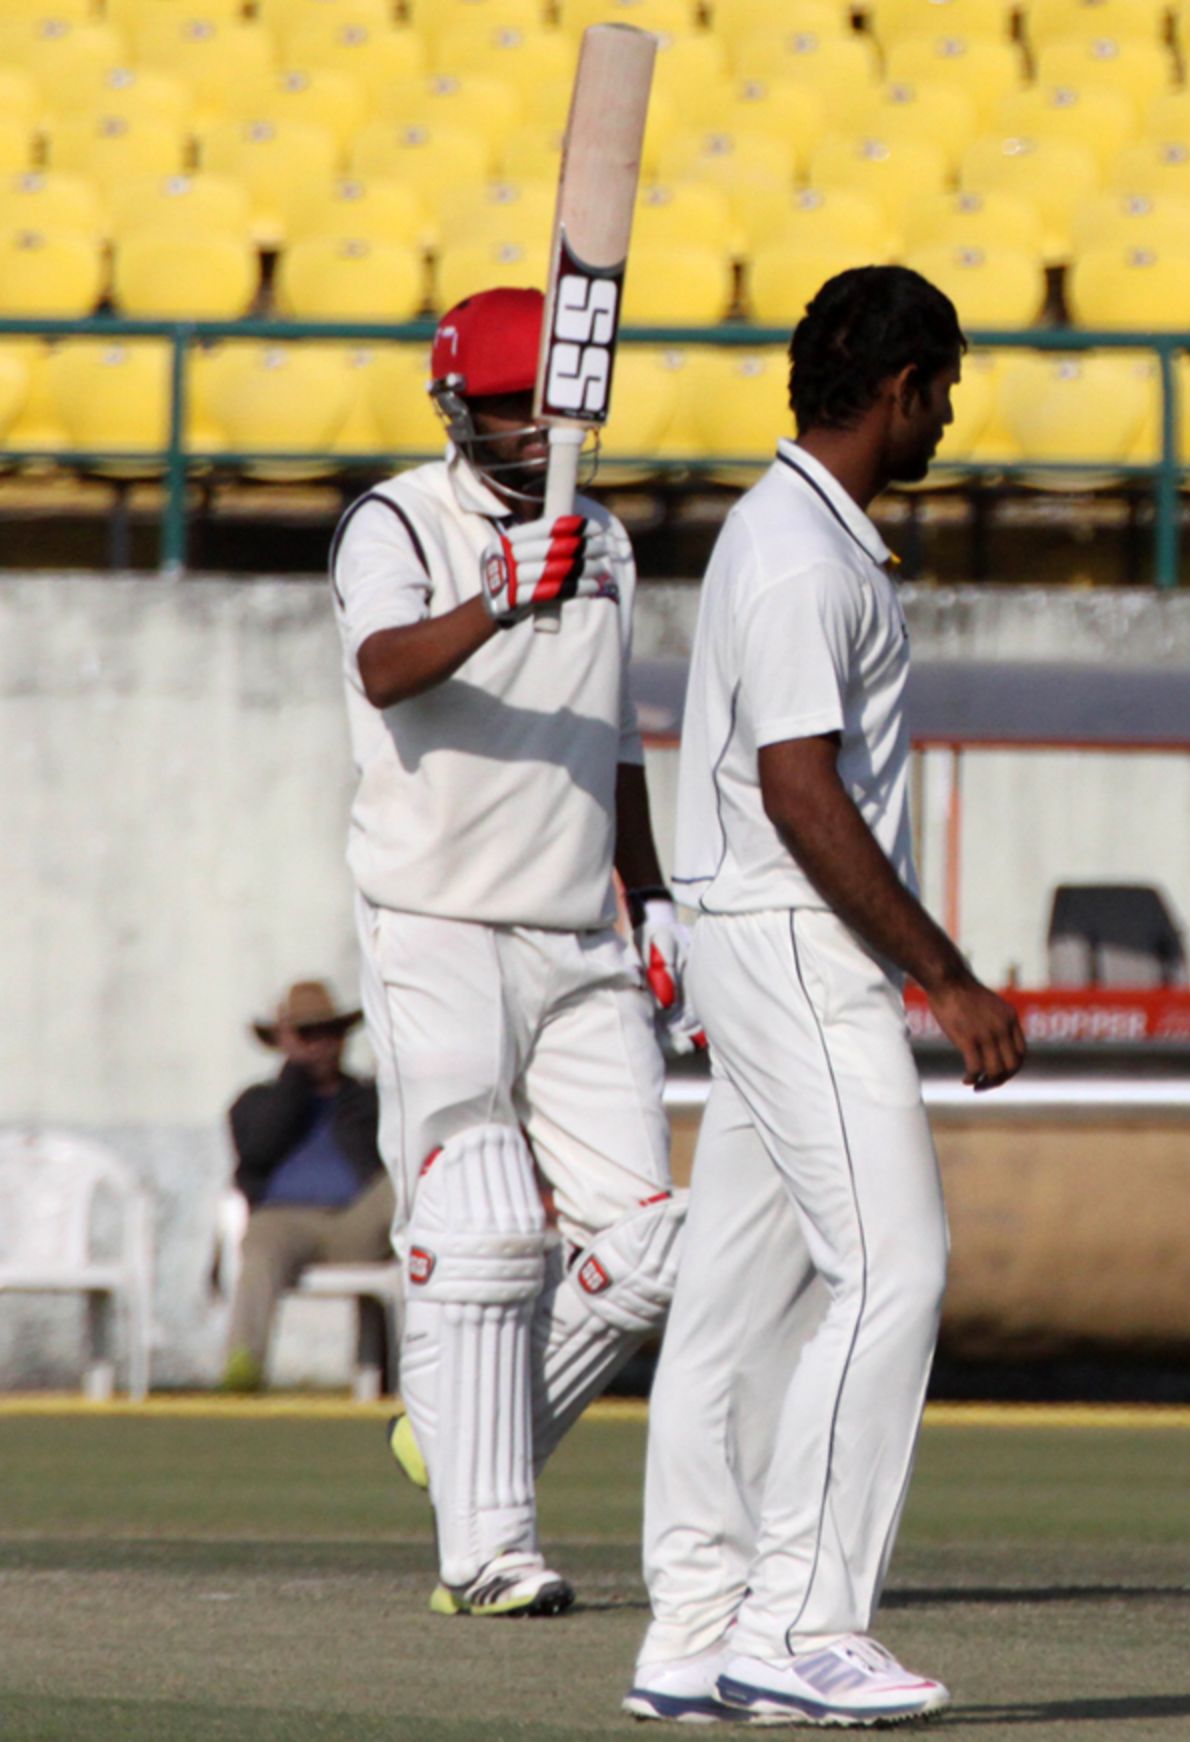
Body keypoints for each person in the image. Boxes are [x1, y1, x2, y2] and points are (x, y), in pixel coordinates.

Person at [625, 267, 1026, 1725]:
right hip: (799, 943)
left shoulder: (797, 531)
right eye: (947, 387)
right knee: (893, 1269)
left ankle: (692, 1620)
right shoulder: (800, 552)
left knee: (735, 1296)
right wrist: (949, 975)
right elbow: (800, 790)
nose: (952, 415)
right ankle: (800, 1620)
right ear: (904, 384)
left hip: (757, 939)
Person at [328, 286, 700, 1619]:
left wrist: (650, 898)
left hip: (578, 924)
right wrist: (495, 595)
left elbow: (608, 732)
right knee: (485, 1224)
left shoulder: (603, 538)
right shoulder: (395, 522)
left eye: (553, 404)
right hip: (438, 920)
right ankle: (489, 1554)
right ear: (456, 408)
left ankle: (462, 1433)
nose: (537, 429)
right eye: (508, 407)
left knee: (657, 1246)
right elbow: (381, 665)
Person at [222, 979, 394, 1393]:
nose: (319, 1044)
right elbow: (258, 1149)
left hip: (357, 1223)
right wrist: (295, 1076)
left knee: (415, 1186)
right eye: (306, 1033)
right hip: (286, 1221)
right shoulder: (257, 1101)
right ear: (284, 1041)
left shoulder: (369, 1099)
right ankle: (243, 1366)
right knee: (261, 1240)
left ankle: (417, 1370)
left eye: (329, 1032)